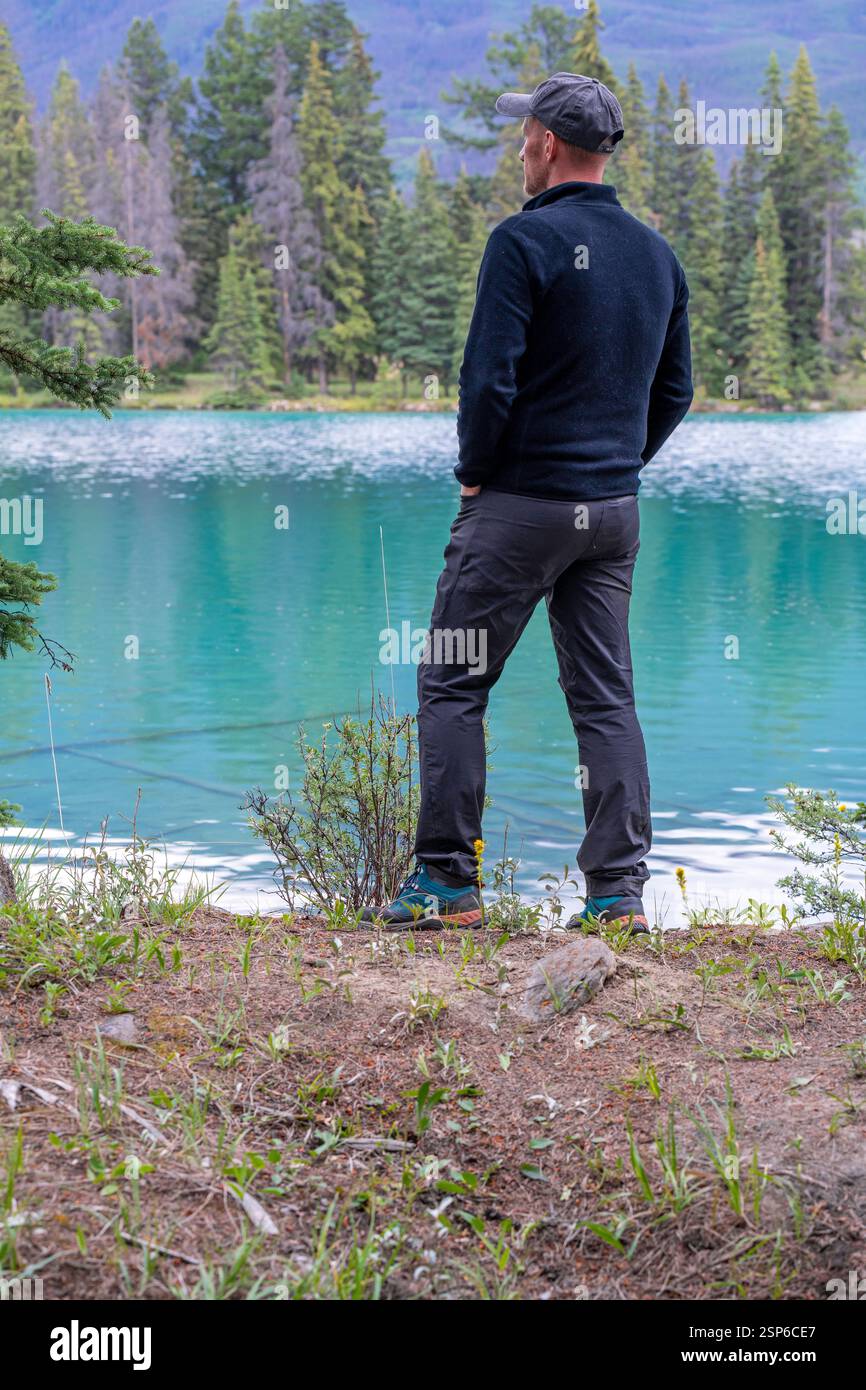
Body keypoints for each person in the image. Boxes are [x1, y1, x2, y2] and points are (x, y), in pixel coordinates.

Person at [362, 73, 693, 932]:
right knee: (605, 698)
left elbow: (488, 378)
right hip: (610, 517)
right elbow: (678, 390)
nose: (519, 148)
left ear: (548, 145)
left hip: (518, 509)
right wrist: (620, 465)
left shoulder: (522, 242)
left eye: (525, 136)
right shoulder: (656, 255)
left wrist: (476, 472)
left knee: (451, 681)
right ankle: (618, 895)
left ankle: (446, 885)